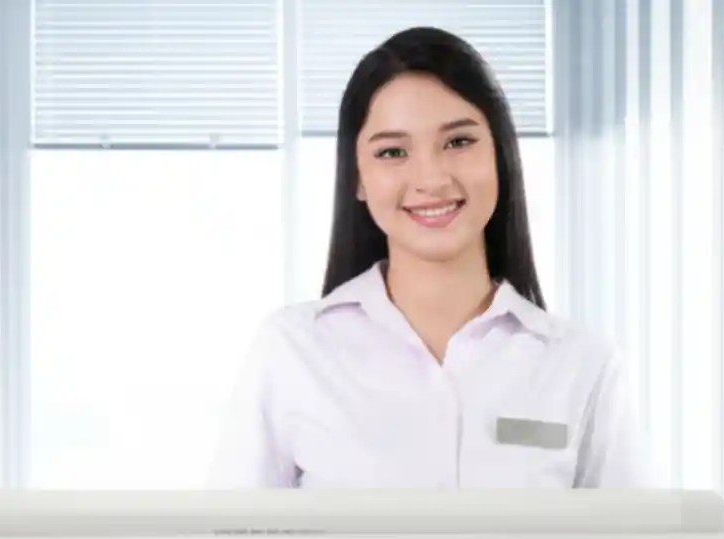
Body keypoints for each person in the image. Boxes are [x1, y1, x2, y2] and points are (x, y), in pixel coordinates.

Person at [208, 27, 652, 490]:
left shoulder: (582, 366)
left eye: (458, 142)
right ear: (357, 179)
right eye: (392, 151)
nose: (431, 178)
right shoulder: (293, 350)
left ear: (500, 155)